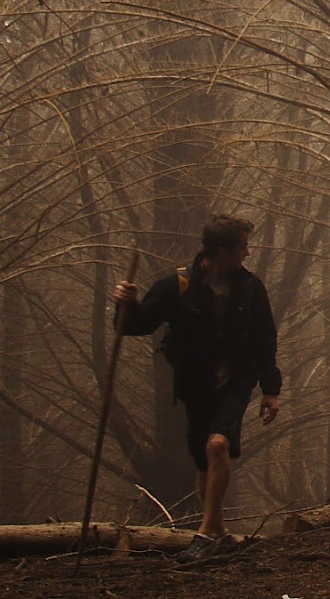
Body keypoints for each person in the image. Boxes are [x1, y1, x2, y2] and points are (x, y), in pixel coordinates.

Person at [112, 214, 282, 563]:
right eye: (242, 247)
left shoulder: (250, 287)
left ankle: (203, 536)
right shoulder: (179, 284)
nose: (247, 253)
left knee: (217, 445)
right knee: (205, 463)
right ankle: (218, 532)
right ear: (223, 250)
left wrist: (270, 389)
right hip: (195, 384)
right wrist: (125, 303)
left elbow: (265, 340)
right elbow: (134, 325)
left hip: (237, 379)